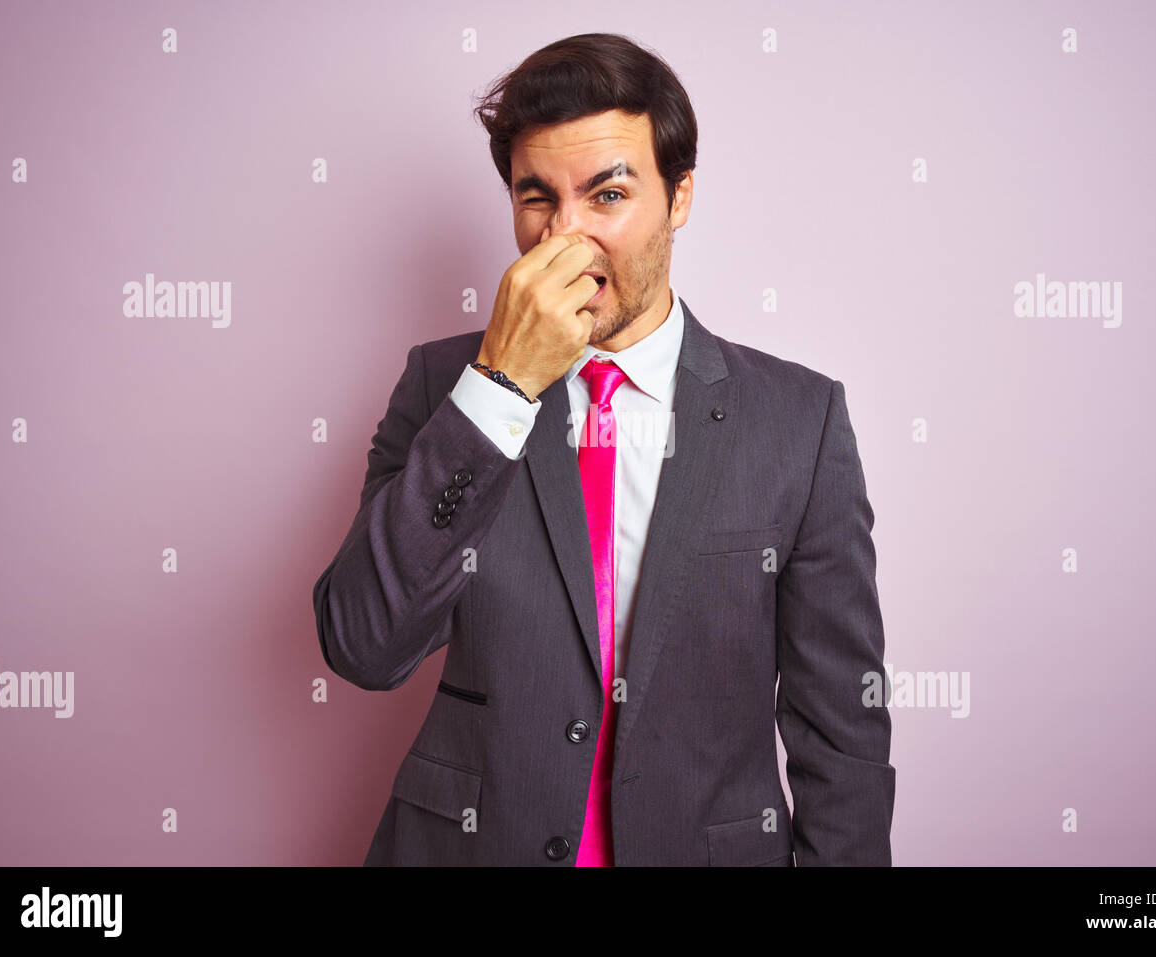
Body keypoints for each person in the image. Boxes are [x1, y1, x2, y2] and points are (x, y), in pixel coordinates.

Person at [312, 32, 895, 866]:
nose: (567, 239)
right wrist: (499, 388)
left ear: (680, 195)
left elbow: (842, 733)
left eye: (608, 194)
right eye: (537, 197)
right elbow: (364, 642)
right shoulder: (445, 386)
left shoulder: (800, 422)